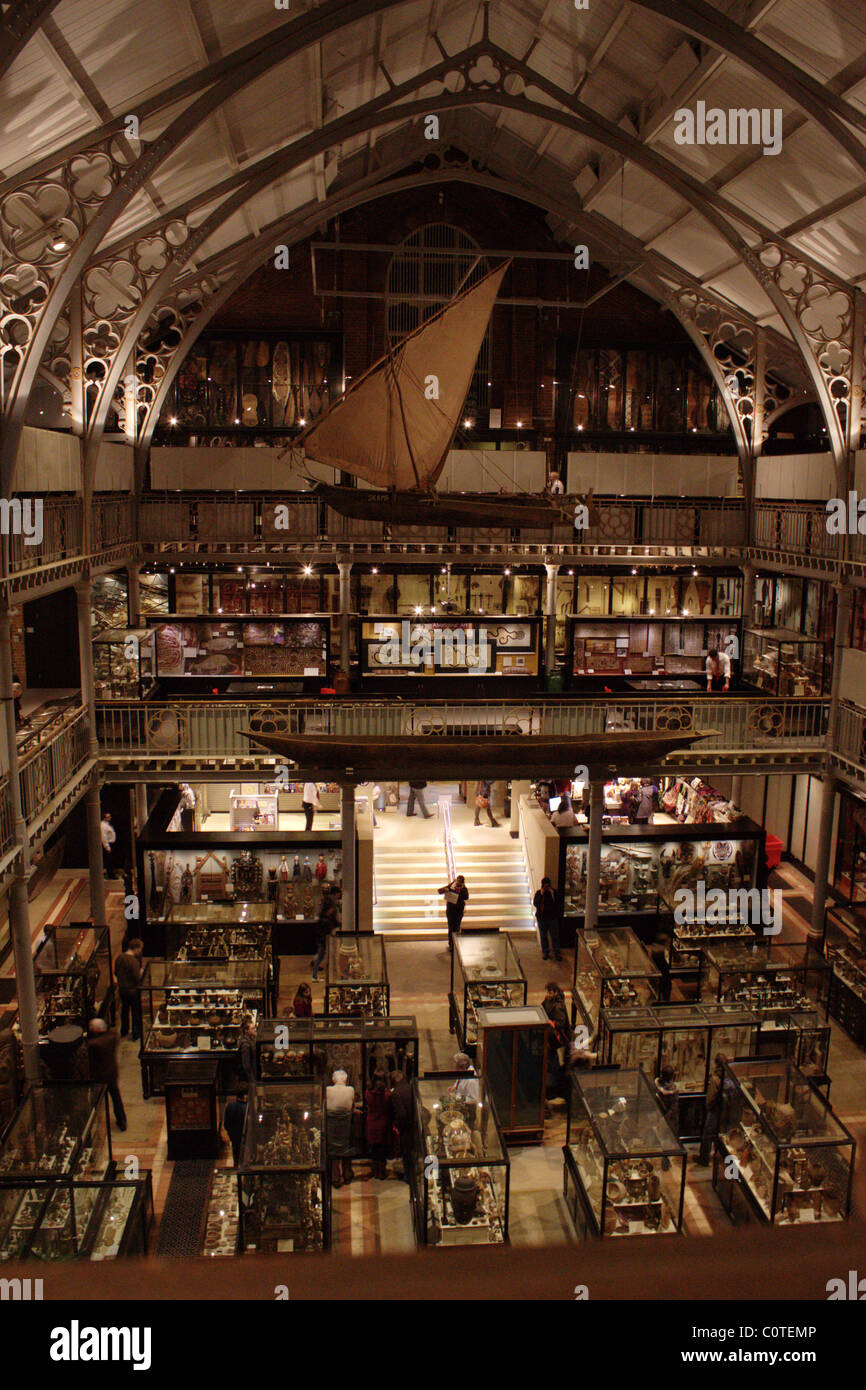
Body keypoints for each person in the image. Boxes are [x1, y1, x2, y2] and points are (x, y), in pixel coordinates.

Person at [86, 1018, 127, 1131]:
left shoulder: (93, 1044)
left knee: (95, 1101)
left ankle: (92, 1125)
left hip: (99, 1076)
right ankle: (122, 1121)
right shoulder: (112, 1038)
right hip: (111, 1073)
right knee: (116, 1098)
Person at [697, 1054, 729, 1166]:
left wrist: (708, 1107)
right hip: (725, 1110)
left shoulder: (715, 1078)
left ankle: (704, 1159)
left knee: (707, 1134)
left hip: (714, 1110)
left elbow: (711, 1097)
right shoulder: (728, 1075)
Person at [326, 1068, 356, 1187]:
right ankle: (347, 1173)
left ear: (333, 1079)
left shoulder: (328, 1090)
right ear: (346, 1080)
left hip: (331, 1125)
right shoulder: (350, 1090)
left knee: (333, 1152)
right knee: (346, 1150)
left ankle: (335, 1177)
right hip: (346, 1125)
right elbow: (352, 1105)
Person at [542, 982, 571, 1098]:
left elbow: (561, 1023)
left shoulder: (558, 1007)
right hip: (551, 1037)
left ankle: (556, 1089)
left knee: (558, 1063)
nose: (547, 995)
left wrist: (549, 1022)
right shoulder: (548, 1001)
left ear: (555, 992)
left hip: (558, 1041)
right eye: (547, 992)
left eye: (549, 992)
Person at [365, 1069, 392, 1180]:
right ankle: (382, 1172)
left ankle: (375, 1171)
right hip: (383, 1124)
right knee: (382, 1149)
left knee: (374, 1148)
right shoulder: (387, 1095)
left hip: (371, 1122)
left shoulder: (368, 1093)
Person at [114, 937, 144, 1040]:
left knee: (124, 1010)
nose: (140, 952)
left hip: (122, 989)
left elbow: (116, 973)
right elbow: (137, 977)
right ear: (136, 948)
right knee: (135, 1012)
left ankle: (124, 1031)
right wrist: (141, 973)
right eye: (140, 949)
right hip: (133, 990)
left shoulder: (119, 958)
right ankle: (136, 1034)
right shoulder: (133, 962)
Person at [390, 1069, 414, 1183]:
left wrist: (399, 1127)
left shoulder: (396, 1093)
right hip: (415, 1124)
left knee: (407, 1152)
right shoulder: (410, 1087)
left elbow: (401, 1114)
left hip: (406, 1127)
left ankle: (409, 1176)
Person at [311, 886, 339, 980]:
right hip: (323, 932)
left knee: (322, 953)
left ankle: (316, 972)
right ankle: (315, 974)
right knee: (321, 953)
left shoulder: (329, 901)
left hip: (324, 931)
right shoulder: (330, 903)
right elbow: (328, 916)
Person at [654, 1065, 679, 1169]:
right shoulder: (673, 1091)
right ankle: (665, 1161)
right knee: (666, 1140)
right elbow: (674, 1108)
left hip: (659, 1116)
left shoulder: (657, 1085)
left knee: (663, 1139)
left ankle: (664, 1160)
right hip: (668, 1119)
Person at [533, 876, 562, 962]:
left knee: (555, 936)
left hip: (552, 918)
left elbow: (558, 903)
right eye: (545, 885)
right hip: (542, 918)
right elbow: (536, 903)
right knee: (543, 936)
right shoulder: (539, 893)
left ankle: (557, 953)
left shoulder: (554, 893)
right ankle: (545, 952)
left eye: (547, 885)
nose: (546, 887)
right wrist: (541, 894)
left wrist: (552, 894)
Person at [438, 874, 468, 949]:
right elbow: (439, 891)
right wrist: (446, 890)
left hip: (459, 910)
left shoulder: (464, 889)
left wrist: (461, 889)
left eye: (460, 884)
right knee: (451, 927)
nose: (458, 885)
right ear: (456, 880)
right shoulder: (451, 886)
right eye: (457, 883)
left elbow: (466, 897)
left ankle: (455, 944)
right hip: (451, 910)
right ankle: (451, 944)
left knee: (457, 927)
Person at [223, 1087, 247, 1167]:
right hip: (245, 1137)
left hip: (234, 1136)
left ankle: (236, 1169)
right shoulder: (247, 1108)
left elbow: (226, 1124)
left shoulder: (230, 1106)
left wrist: (230, 1133)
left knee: (236, 1156)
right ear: (245, 1095)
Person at [239, 1015, 257, 1083]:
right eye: (252, 1028)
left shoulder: (251, 1039)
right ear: (246, 1031)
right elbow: (246, 1064)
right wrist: (251, 1078)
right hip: (251, 1076)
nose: (255, 1030)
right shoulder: (245, 1045)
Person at [100, 811, 117, 877]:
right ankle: (110, 874)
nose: (110, 818)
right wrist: (107, 846)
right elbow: (103, 837)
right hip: (108, 844)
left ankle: (110, 872)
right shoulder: (103, 826)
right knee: (109, 861)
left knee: (110, 860)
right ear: (104, 818)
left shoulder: (107, 824)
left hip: (111, 843)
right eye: (108, 817)